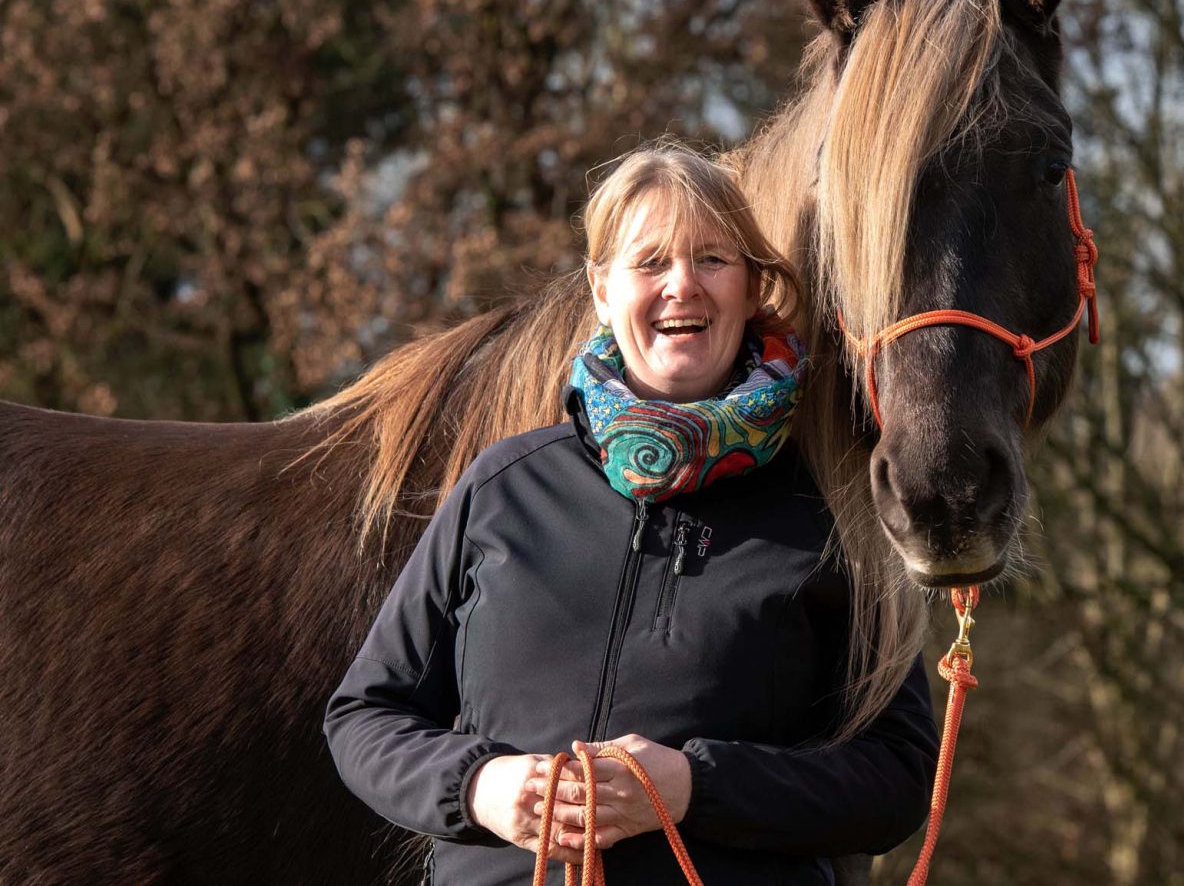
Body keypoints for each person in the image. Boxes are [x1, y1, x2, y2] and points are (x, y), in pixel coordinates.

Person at [323, 145, 939, 886]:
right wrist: (479, 787)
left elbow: (898, 777)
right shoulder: (504, 487)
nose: (682, 285)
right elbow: (363, 716)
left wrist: (692, 788)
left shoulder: (827, 514)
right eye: (650, 262)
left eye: (712, 258)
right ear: (601, 289)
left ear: (751, 289)